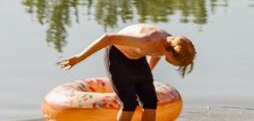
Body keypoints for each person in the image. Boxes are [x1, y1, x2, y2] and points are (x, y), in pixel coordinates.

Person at [57, 24, 196, 121]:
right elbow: (108, 38)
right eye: (178, 63)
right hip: (118, 57)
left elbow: (156, 54)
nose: (176, 66)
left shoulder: (170, 43)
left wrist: (146, 74)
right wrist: (78, 58)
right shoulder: (148, 40)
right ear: (170, 53)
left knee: (150, 101)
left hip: (137, 59)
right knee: (129, 103)